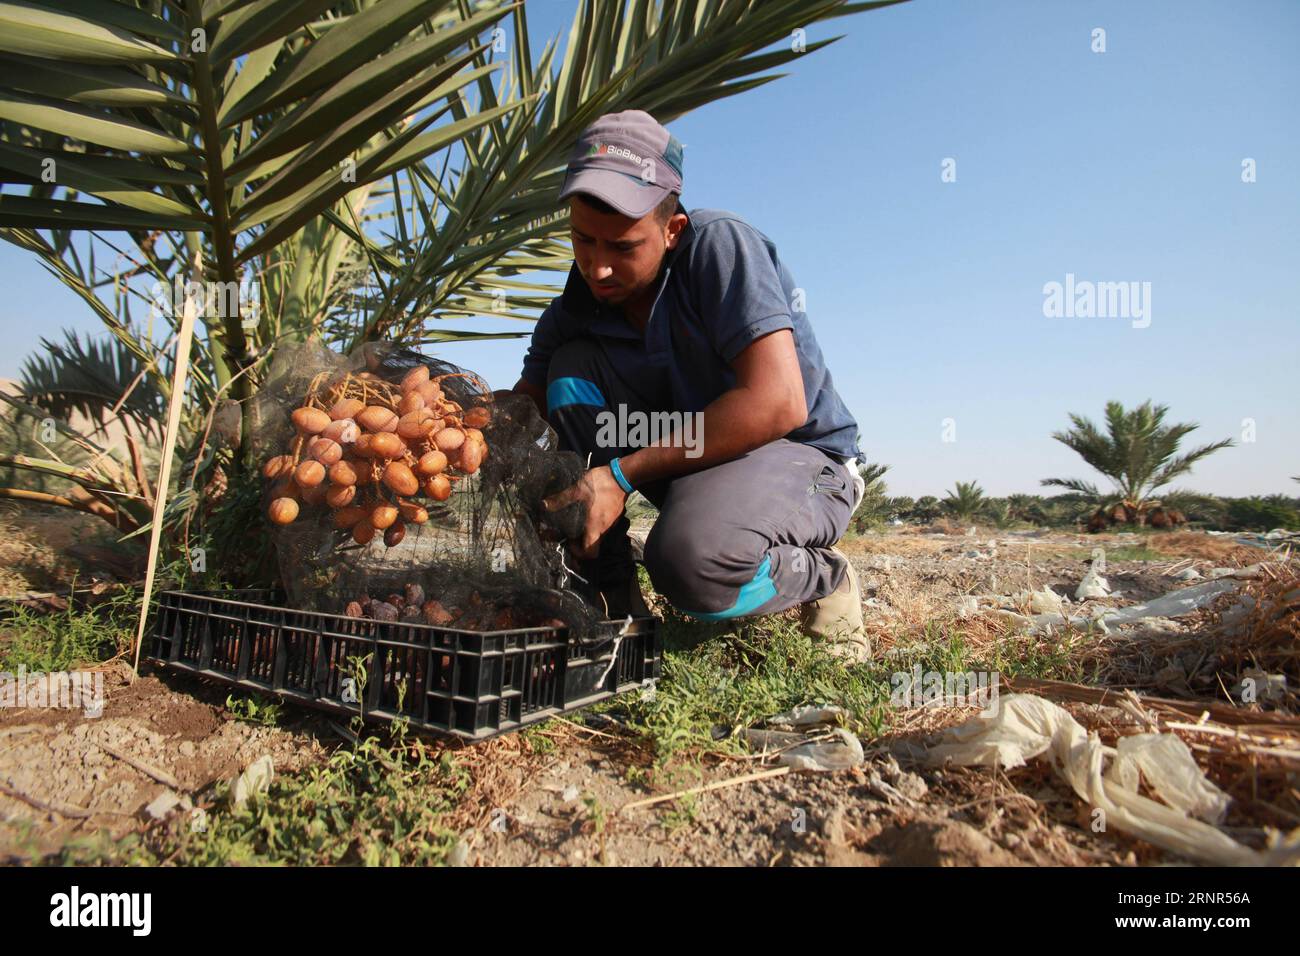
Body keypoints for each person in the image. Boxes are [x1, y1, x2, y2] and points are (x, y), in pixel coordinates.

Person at [510, 110, 871, 661]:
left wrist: (617, 475)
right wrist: (429, 421)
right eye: (583, 240)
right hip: (691, 464)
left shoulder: (719, 247)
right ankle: (612, 589)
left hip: (801, 459)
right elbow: (521, 408)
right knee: (569, 373)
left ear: (671, 229)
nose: (598, 268)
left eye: (623, 247)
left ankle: (824, 576)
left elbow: (778, 403)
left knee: (692, 565)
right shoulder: (578, 305)